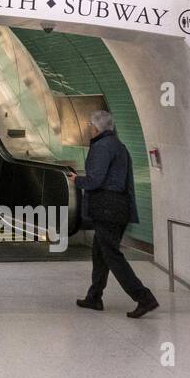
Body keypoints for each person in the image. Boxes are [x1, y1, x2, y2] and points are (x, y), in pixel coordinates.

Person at [67, 110, 159, 318]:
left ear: (95, 127)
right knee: (99, 253)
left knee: (112, 255)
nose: (89, 128)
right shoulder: (119, 146)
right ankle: (94, 296)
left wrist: (77, 180)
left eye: (90, 124)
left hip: (107, 208)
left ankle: (144, 297)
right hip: (119, 207)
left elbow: (96, 180)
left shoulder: (101, 147)